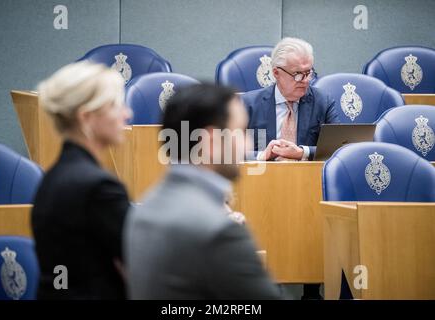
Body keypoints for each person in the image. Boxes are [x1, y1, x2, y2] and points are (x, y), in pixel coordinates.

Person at [124, 84, 280, 299]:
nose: (248, 144)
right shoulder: (219, 231)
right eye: (241, 132)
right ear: (210, 139)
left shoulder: (143, 211)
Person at [32, 61, 132, 299]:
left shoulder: (52, 177)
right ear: (86, 118)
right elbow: (145, 260)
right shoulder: (99, 188)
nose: (127, 114)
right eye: (115, 105)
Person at [242, 37, 339, 161]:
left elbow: (338, 148)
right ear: (276, 73)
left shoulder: (323, 102)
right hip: (262, 176)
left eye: (308, 72)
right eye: (298, 74)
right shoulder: (248, 104)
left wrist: (304, 152)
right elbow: (224, 152)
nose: (305, 80)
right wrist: (261, 155)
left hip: (306, 177)